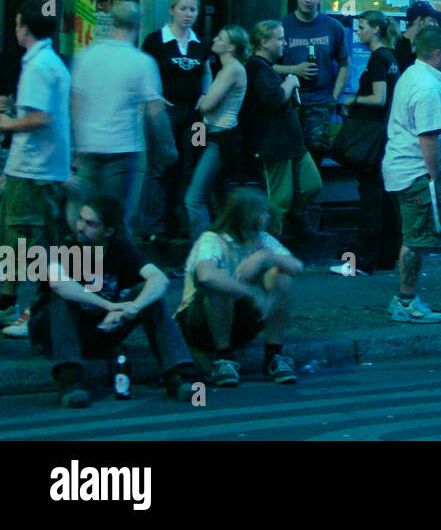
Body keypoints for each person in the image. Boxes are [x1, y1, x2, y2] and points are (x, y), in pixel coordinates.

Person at [28, 194, 198, 407]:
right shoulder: (62, 244)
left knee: (149, 295)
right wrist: (110, 306)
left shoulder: (120, 247)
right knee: (61, 297)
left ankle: (179, 375)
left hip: (105, 327)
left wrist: (131, 308)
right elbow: (59, 284)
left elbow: (159, 279)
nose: (80, 226)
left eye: (90, 223)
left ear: (107, 231)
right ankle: (71, 383)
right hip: (60, 333)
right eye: (80, 218)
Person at [174, 187, 303, 386]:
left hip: (240, 319)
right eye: (263, 212)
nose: (268, 216)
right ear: (249, 216)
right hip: (199, 323)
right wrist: (252, 294)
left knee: (282, 276)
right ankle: (223, 358)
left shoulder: (262, 239)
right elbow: (206, 275)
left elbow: (297, 267)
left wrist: (264, 256)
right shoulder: (212, 240)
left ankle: (273, 355)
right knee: (221, 285)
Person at [70, 1, 171, 241]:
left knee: (86, 215)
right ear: (137, 25)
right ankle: (111, 270)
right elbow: (155, 110)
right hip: (123, 149)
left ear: (110, 22)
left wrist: (76, 142)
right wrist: (168, 147)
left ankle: (84, 269)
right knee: (115, 217)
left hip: (88, 148)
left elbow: (75, 103)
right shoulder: (142, 62)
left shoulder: (86, 56)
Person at [0, 0, 72, 332]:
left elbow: (39, 118)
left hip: (33, 170)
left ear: (24, 28)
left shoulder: (38, 66)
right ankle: (13, 303)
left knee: (25, 241)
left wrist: (4, 122)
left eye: (17, 23)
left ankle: (34, 311)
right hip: (39, 167)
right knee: (19, 239)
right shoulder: (49, 62)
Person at [382, 27, 441, 324]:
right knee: (415, 239)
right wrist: (434, 177)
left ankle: (407, 297)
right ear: (437, 53)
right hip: (418, 173)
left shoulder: (413, 76)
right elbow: (429, 137)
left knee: (415, 237)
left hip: (408, 170)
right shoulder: (427, 87)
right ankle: (405, 299)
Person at [243, 20, 322, 237]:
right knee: (278, 200)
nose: (283, 43)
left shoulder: (268, 68)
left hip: (293, 143)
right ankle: (270, 247)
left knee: (311, 184)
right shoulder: (256, 67)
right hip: (273, 145)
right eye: (279, 39)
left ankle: (294, 216)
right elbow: (275, 98)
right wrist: (290, 82)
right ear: (263, 42)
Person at [337, 11, 401, 276]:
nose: (358, 32)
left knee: (370, 201)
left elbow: (378, 98)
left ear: (375, 29)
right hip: (384, 137)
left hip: (371, 138)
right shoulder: (390, 57)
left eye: (362, 27)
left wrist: (353, 100)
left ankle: (361, 262)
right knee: (384, 200)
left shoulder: (378, 58)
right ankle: (386, 257)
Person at [140, 0, 209, 240]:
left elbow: (206, 72)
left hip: (194, 117)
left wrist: (205, 95)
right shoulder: (155, 40)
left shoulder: (200, 43)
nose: (188, 14)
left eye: (193, 10)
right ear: (172, 10)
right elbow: (144, 70)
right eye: (183, 9)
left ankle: (179, 224)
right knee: (160, 166)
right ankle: (152, 226)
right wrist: (154, 98)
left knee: (188, 166)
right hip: (164, 113)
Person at [275, 0, 350, 168]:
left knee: (315, 154)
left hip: (320, 102)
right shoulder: (282, 26)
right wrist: (294, 70)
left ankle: (309, 196)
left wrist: (334, 97)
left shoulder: (333, 27)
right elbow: (267, 66)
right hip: (289, 102)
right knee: (288, 154)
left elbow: (344, 64)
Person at [183, 25, 249, 239]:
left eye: (220, 38)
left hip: (221, 137)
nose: (214, 39)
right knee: (217, 196)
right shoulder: (223, 68)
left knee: (194, 199)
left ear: (230, 47)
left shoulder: (233, 70)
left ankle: (203, 253)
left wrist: (203, 100)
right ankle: (227, 247)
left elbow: (206, 105)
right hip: (209, 132)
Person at [394, 1, 441, 73]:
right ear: (419, 20)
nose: (436, 25)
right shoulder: (395, 47)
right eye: (432, 21)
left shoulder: (422, 48)